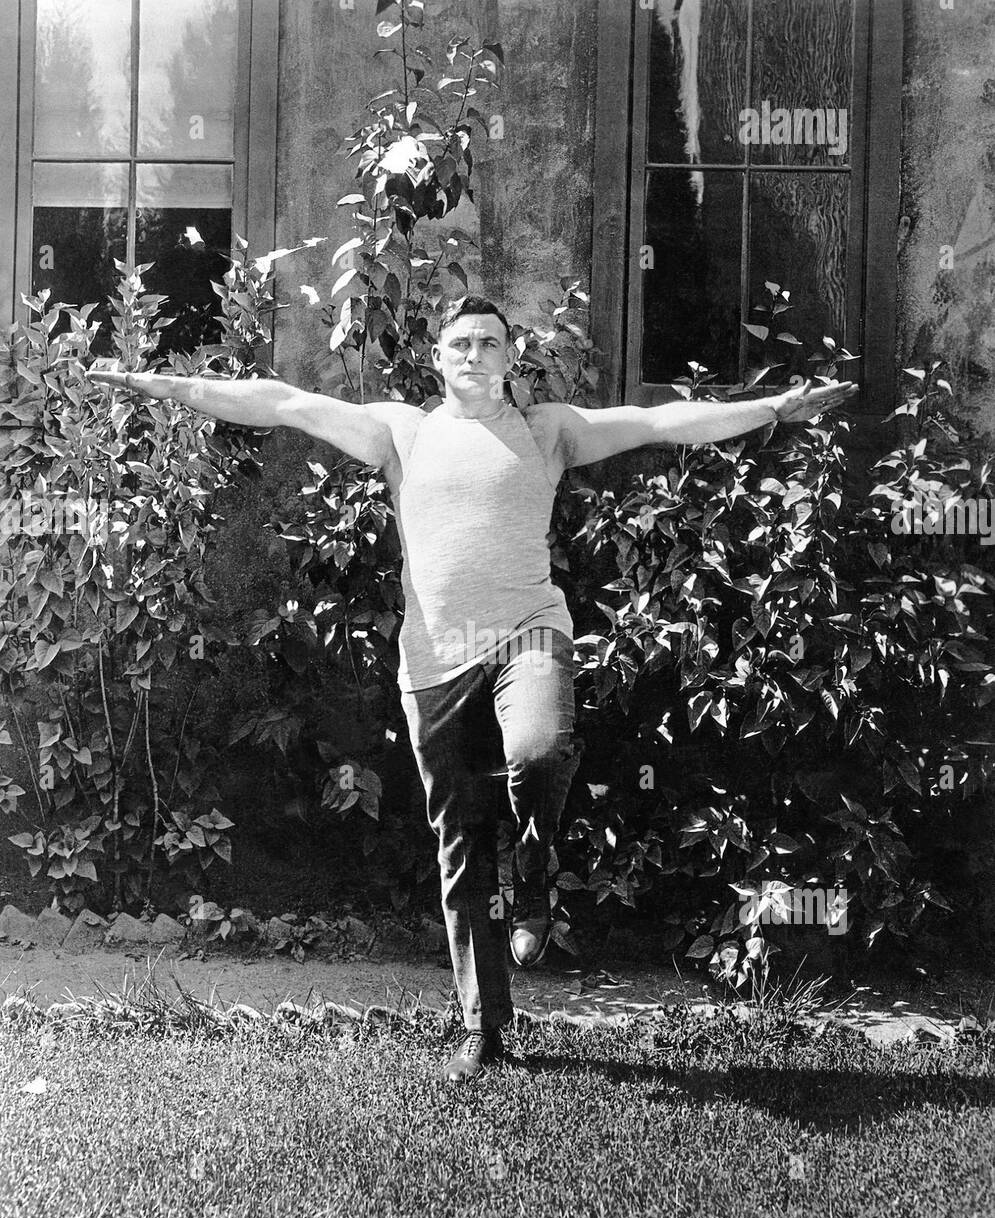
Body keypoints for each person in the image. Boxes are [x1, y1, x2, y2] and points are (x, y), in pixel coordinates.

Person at [89, 295, 857, 1083]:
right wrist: (159, 384)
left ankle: (537, 866)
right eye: (460, 343)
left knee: (538, 747)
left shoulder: (547, 430)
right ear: (437, 356)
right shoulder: (402, 431)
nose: (474, 355)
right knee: (459, 846)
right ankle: (483, 1027)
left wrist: (772, 408)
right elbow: (281, 403)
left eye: (490, 343)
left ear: (507, 357)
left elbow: (662, 421)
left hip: (527, 628)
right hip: (434, 657)